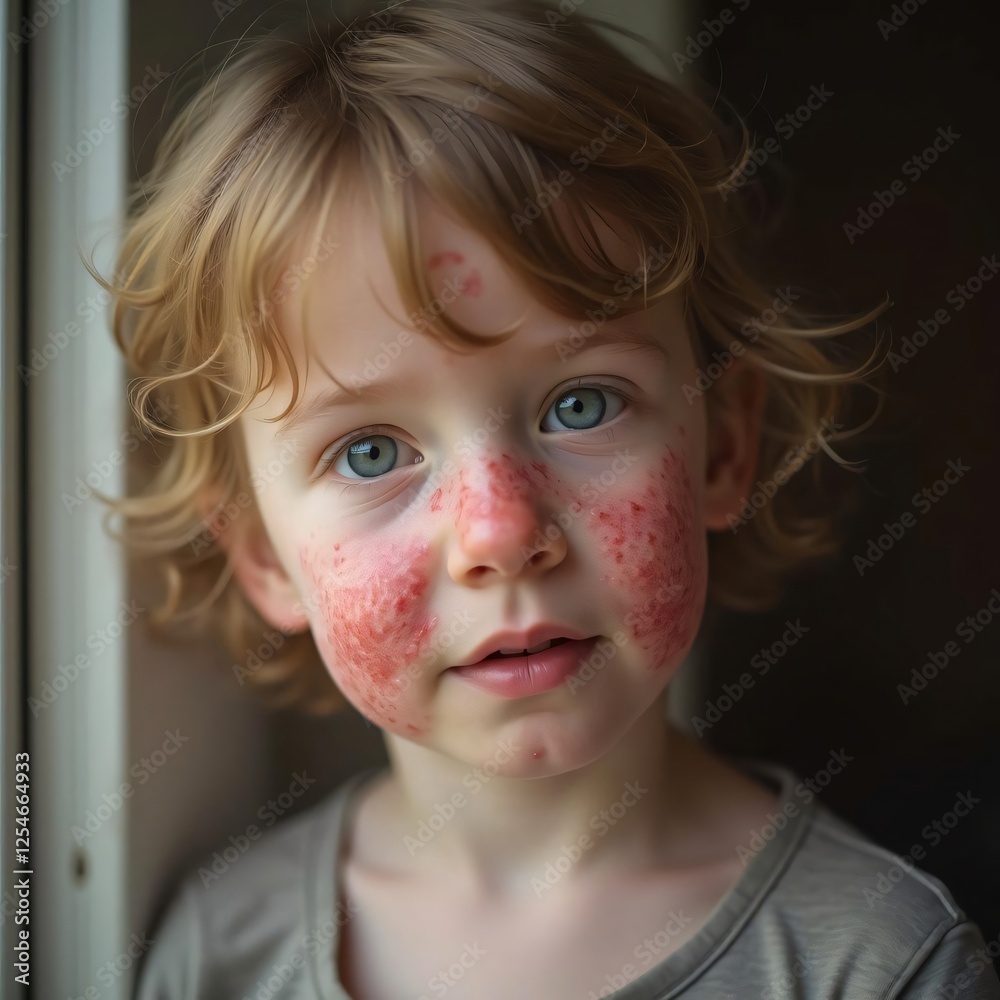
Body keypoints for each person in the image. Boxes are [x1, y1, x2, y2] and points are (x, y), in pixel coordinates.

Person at [94, 0, 1000, 996]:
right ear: (264, 554)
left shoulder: (877, 963)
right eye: (367, 452)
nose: (501, 531)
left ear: (722, 444)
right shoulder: (220, 951)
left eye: (579, 404)